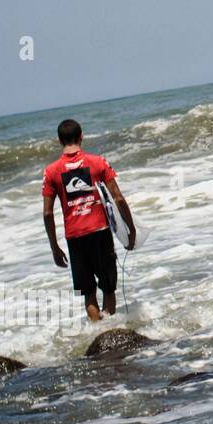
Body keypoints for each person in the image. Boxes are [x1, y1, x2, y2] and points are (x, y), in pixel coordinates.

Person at [42, 119, 135, 321]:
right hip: (100, 231)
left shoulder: (51, 172)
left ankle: (98, 332)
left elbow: (47, 213)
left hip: (74, 237)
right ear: (82, 136)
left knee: (89, 293)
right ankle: (108, 333)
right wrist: (131, 229)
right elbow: (118, 198)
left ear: (59, 140)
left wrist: (54, 247)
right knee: (108, 289)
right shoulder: (98, 162)